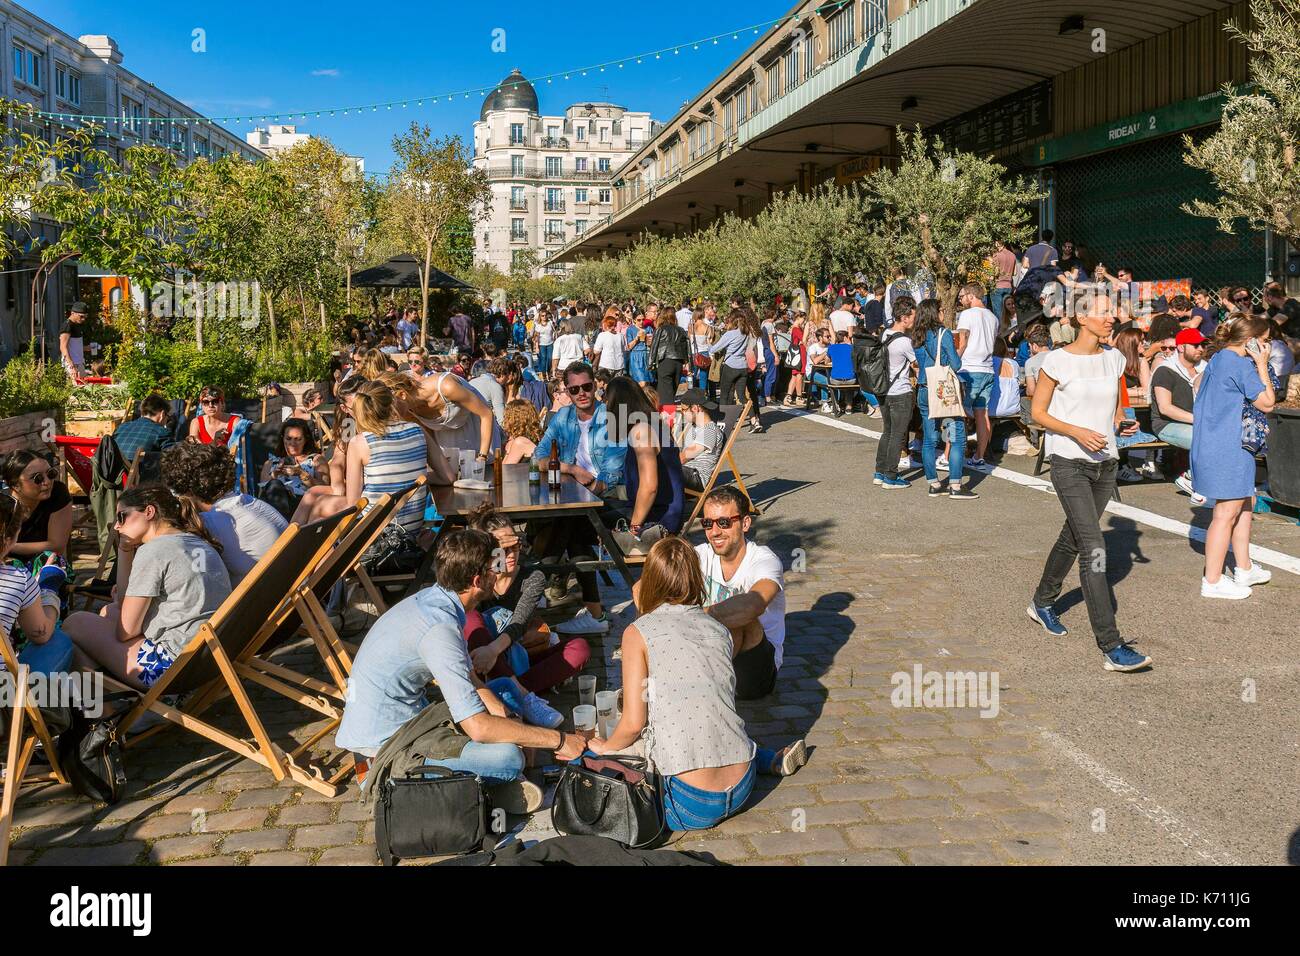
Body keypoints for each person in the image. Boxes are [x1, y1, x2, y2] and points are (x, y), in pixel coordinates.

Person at [336, 529, 588, 813]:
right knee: (507, 758)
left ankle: (492, 785)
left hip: (411, 720)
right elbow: (478, 728)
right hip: (385, 747)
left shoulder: (436, 600)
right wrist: (559, 740)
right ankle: (419, 778)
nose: (502, 569)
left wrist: (506, 716)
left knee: (503, 694)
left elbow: (468, 674)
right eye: (496, 566)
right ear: (478, 581)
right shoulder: (439, 630)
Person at [591, 536, 806, 832]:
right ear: (696, 578)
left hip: (690, 803)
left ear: (650, 580)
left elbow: (632, 723)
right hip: (743, 786)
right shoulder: (720, 628)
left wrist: (602, 749)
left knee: (617, 751)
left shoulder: (637, 633)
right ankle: (765, 759)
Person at [1027, 303, 1151, 672]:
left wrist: (1120, 422)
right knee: (1094, 546)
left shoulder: (1113, 359)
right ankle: (1111, 645)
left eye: (1112, 311)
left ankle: (1042, 601)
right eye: (1102, 311)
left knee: (1074, 537)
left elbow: (1116, 406)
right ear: (1081, 318)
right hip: (1068, 461)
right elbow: (1038, 413)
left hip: (1106, 464)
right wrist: (1076, 430)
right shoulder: (1057, 361)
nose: (1111, 317)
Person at [63, 485, 230, 690]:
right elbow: (125, 607)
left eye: (122, 517)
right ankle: (107, 707)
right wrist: (125, 549)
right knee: (109, 611)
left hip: (170, 666)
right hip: (208, 659)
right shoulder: (199, 543)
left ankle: (105, 712)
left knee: (75, 622)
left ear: (149, 512)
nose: (116, 526)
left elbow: (126, 632)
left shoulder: (155, 550)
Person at [531, 363, 624, 635]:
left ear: (596, 385)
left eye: (587, 386)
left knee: (566, 524)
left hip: (610, 498)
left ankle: (529, 594)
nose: (582, 393)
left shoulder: (613, 418)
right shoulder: (562, 418)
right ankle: (594, 614)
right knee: (570, 525)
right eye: (575, 389)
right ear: (567, 392)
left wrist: (589, 485)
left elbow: (612, 476)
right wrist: (571, 469)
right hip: (574, 497)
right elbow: (538, 457)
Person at [1192, 315, 1276, 600]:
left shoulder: (1218, 358)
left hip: (1216, 440)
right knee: (1226, 513)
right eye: (1264, 341)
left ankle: (1243, 567)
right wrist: (1262, 364)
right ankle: (1212, 581)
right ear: (1251, 340)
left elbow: (1198, 387)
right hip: (1229, 444)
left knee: (1244, 504)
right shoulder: (1240, 363)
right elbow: (1267, 402)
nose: (1267, 347)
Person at [293, 380, 433, 534]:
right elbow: (338, 459)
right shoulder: (349, 425)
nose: (362, 411)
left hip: (371, 502)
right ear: (345, 408)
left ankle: (296, 551)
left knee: (320, 505)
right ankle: (286, 544)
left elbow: (354, 502)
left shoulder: (362, 439)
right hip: (365, 489)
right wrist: (338, 484)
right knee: (313, 494)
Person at [692, 487, 787, 700]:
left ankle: (701, 686)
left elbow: (753, 604)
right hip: (710, 651)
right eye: (708, 523)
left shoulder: (765, 560)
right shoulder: (699, 555)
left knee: (741, 618)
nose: (714, 531)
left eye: (724, 523)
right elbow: (644, 588)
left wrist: (691, 617)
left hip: (756, 672)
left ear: (745, 524)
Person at [163, 442, 288, 585]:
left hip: (263, 597)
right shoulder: (250, 502)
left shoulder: (210, 522)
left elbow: (198, 578)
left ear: (186, 492)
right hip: (291, 587)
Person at [604, 376, 684, 542]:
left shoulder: (641, 430)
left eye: (607, 401)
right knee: (588, 516)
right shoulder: (655, 423)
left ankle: (546, 567)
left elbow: (650, 487)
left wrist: (633, 529)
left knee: (581, 524)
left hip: (658, 519)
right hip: (663, 511)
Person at [913, 299, 977, 500]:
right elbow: (956, 365)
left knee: (929, 439)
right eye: (941, 309)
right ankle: (956, 486)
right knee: (957, 435)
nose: (943, 312)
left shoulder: (916, 336)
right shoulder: (944, 334)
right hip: (943, 390)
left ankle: (933, 483)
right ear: (935, 313)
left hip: (923, 388)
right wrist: (963, 347)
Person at [0, 495, 72, 675]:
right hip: (3, 694)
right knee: (59, 641)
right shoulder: (18, 578)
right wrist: (49, 587)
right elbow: (41, 634)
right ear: (12, 537)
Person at [1150, 328, 1207, 503]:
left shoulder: (1205, 368)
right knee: (1203, 439)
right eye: (1195, 345)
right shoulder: (1165, 370)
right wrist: (1199, 420)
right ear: (1181, 347)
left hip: (1198, 422)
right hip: (1166, 424)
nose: (1200, 349)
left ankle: (1211, 483)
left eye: (1202, 345)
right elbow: (1166, 408)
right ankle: (1189, 478)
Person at [873, 301, 918, 490]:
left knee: (888, 431)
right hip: (900, 392)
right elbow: (916, 365)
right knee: (898, 435)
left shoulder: (884, 334)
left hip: (883, 390)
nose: (915, 321)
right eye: (913, 317)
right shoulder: (905, 342)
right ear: (904, 317)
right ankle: (890, 476)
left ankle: (880, 471)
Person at [955, 283, 1001, 466]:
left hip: (969, 368)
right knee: (982, 414)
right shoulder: (993, 317)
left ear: (970, 295)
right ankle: (979, 455)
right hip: (988, 369)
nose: (960, 300)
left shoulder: (967, 315)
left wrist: (953, 360)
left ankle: (952, 454)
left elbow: (962, 340)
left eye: (961, 297)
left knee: (958, 413)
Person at [3, 451, 72, 566]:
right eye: (37, 478)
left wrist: (8, 546)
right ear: (15, 485)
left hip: (44, 566)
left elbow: (57, 546)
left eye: (50, 474)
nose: (47, 482)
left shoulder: (58, 493)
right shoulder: (3, 503)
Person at [258, 418, 328, 517]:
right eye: (288, 438)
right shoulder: (270, 463)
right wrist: (273, 476)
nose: (292, 443)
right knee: (274, 484)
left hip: (303, 507)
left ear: (306, 440)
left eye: (298, 439)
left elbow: (326, 489)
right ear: (283, 439)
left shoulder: (316, 460)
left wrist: (302, 474)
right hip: (273, 508)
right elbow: (261, 492)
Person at [677, 388, 724, 492]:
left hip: (696, 476)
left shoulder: (710, 430)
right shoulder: (693, 427)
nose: (682, 413)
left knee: (658, 469)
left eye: (683, 409)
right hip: (685, 472)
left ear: (695, 408)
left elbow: (683, 458)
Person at [649, 307, 690, 406]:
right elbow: (686, 348)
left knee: (666, 396)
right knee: (671, 392)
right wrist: (687, 363)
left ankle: (668, 420)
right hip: (678, 363)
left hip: (665, 361)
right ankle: (665, 418)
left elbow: (654, 348)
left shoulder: (660, 329)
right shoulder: (681, 330)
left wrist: (650, 364)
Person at [502, 398, 543, 464]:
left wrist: (509, 449)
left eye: (507, 417)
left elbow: (504, 469)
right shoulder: (538, 436)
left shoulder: (520, 442)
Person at [58, 301, 88, 377]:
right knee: (75, 387)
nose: (83, 319)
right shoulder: (67, 325)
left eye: (85, 316)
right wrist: (71, 365)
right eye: (81, 316)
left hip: (79, 363)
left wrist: (88, 348)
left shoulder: (77, 324)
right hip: (72, 365)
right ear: (72, 313)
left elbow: (75, 346)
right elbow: (63, 347)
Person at [990, 240, 1018, 320]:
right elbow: (1015, 272)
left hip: (998, 286)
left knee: (998, 312)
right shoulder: (1012, 255)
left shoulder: (996, 255)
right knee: (1007, 311)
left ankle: (1001, 331)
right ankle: (1008, 329)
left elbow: (995, 273)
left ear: (997, 243)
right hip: (1008, 286)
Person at [624, 310, 651, 385]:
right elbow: (629, 347)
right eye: (639, 320)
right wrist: (637, 338)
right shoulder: (630, 329)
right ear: (634, 320)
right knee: (642, 383)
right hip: (636, 356)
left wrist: (649, 341)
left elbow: (651, 345)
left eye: (643, 320)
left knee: (647, 383)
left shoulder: (648, 328)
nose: (641, 322)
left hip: (646, 355)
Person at [533, 310, 556, 380]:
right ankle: (543, 374)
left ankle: (549, 372)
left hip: (550, 343)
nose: (544, 317)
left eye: (545, 315)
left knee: (549, 359)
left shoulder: (550, 323)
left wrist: (555, 340)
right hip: (541, 344)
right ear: (540, 316)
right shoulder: (538, 325)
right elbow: (536, 336)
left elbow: (554, 332)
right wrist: (537, 347)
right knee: (543, 359)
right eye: (542, 315)